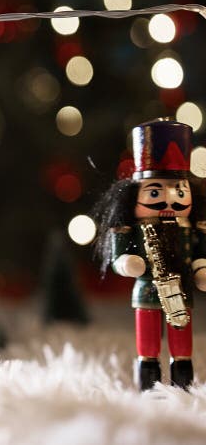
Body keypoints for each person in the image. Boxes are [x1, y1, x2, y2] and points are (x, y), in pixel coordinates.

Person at [93, 118, 206, 391]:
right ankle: (149, 382)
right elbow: (119, 257)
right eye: (155, 190)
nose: (170, 198)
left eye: (179, 189)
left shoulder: (192, 228)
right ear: (133, 196)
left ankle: (182, 382)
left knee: (182, 344)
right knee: (148, 344)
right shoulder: (127, 229)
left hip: (181, 293)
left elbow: (199, 253)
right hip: (146, 293)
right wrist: (126, 263)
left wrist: (201, 270)